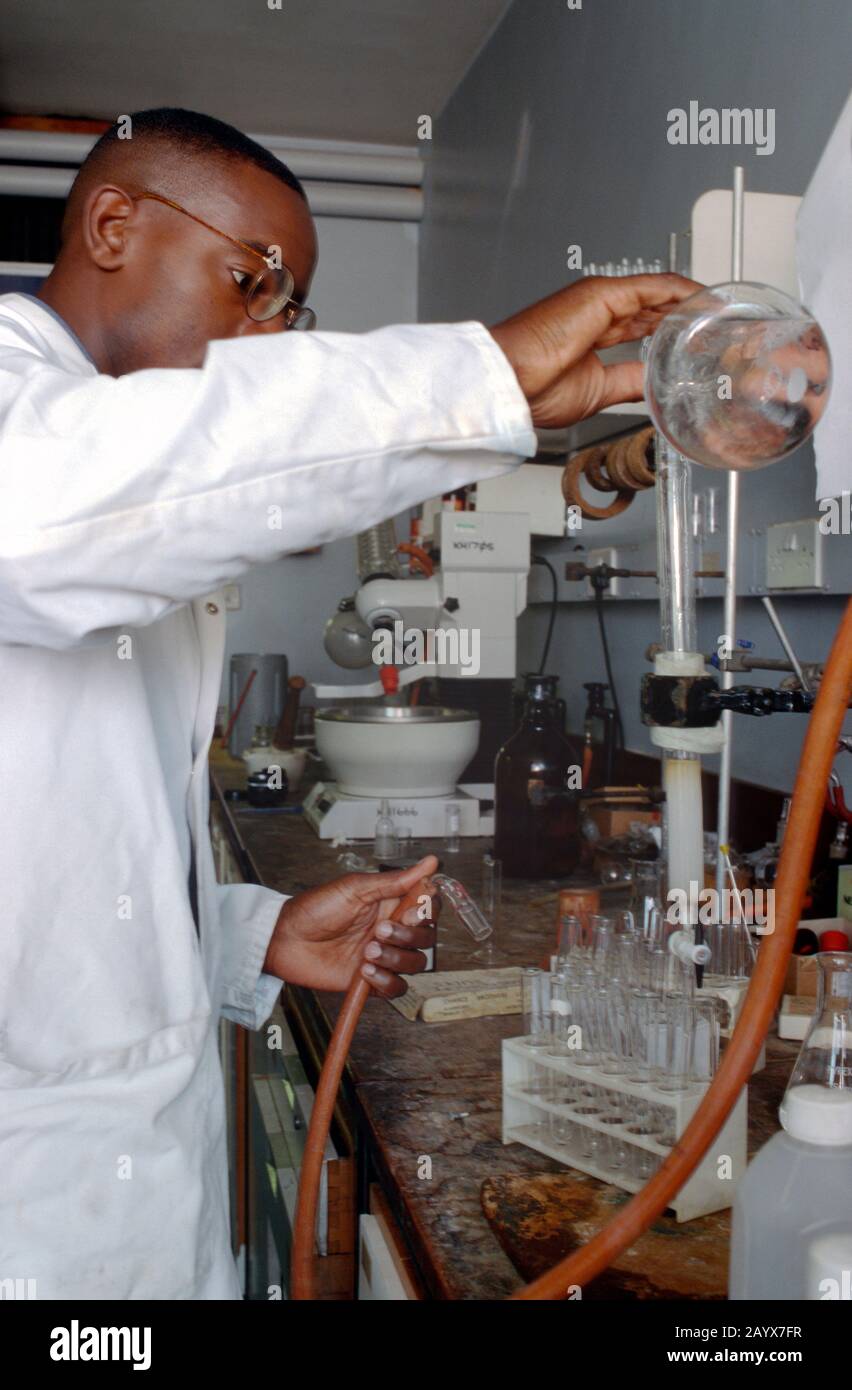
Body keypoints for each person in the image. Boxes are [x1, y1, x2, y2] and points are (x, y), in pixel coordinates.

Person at [0, 107, 697, 1299]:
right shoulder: (38, 435)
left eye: (290, 310)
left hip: (113, 1173)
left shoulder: (104, 448)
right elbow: (49, 511)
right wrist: (483, 372)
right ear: (113, 223)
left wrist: (241, 935)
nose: (268, 335)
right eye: (252, 281)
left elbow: (60, 850)